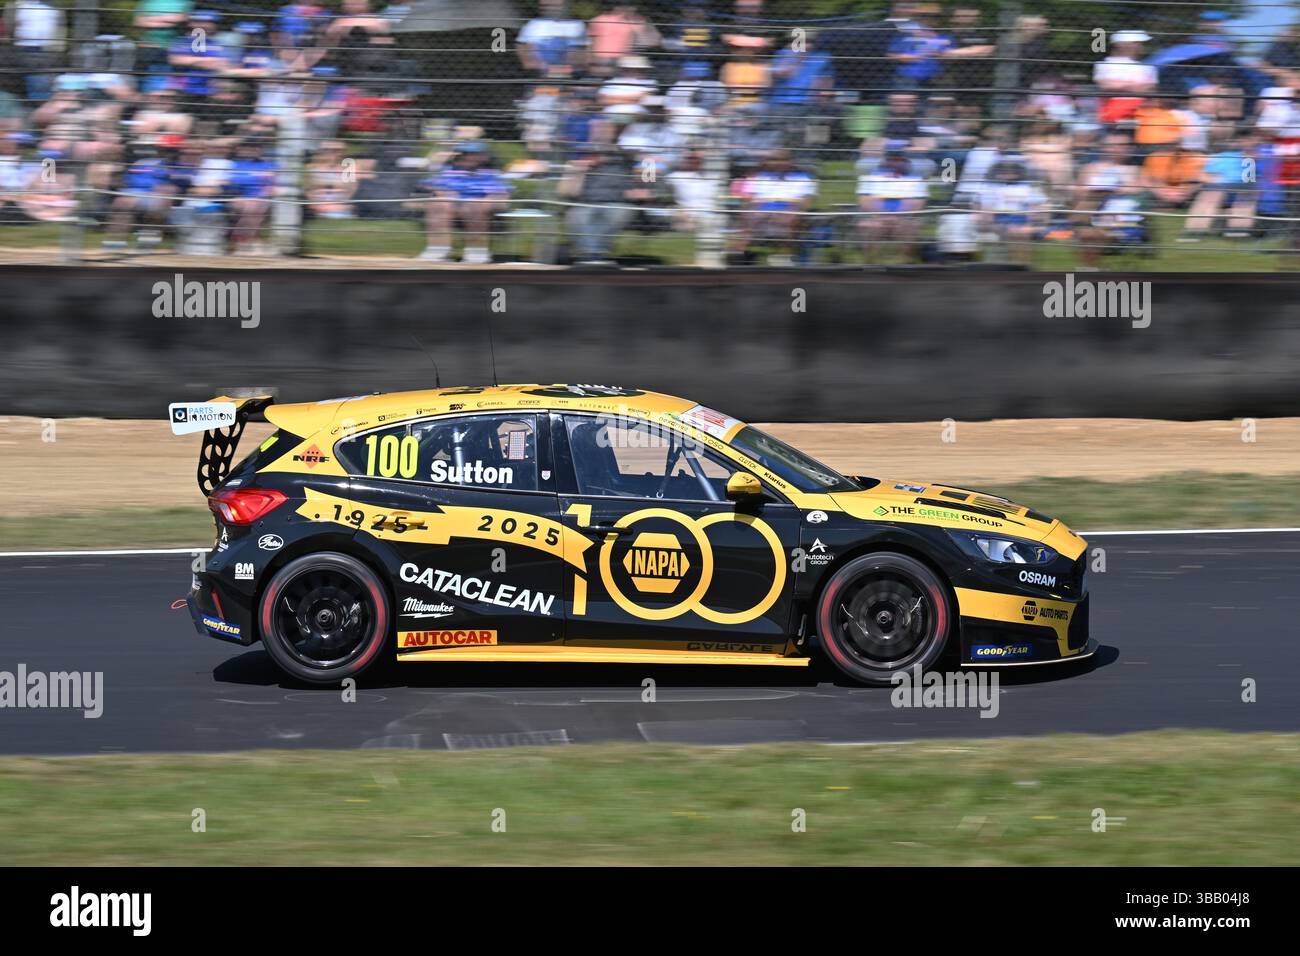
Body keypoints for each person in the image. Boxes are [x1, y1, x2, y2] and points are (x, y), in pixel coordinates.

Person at [418, 141, 511, 264]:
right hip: (452, 204)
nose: (468, 157)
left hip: (479, 206)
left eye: (474, 154)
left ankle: (476, 252)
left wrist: (489, 200)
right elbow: (430, 184)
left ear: (484, 156)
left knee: (474, 206)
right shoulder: (448, 171)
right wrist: (443, 192)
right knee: (438, 204)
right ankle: (438, 250)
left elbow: (502, 193)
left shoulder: (491, 173)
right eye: (465, 154)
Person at [558, 142, 646, 263]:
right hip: (585, 204)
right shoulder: (579, 164)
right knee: (579, 216)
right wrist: (578, 171)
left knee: (610, 215)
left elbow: (648, 185)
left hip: (620, 203)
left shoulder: (630, 164)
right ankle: (595, 257)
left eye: (609, 151)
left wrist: (645, 164)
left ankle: (591, 257)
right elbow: (566, 193)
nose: (604, 155)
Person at [857, 149, 928, 263]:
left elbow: (917, 204)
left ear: (906, 162)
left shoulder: (916, 179)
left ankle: (905, 265)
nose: (895, 163)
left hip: (904, 218)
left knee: (909, 227)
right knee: (870, 225)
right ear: (885, 161)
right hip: (876, 218)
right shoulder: (870, 178)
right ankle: (870, 264)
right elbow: (865, 202)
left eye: (899, 160)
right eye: (891, 160)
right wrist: (883, 216)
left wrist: (897, 217)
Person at [517, 0, 588, 78]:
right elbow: (527, 59)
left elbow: (582, 57)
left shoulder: (577, 25)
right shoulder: (534, 25)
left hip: (572, 75)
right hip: (542, 74)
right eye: (546, 5)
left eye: (553, 5)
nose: (549, 7)